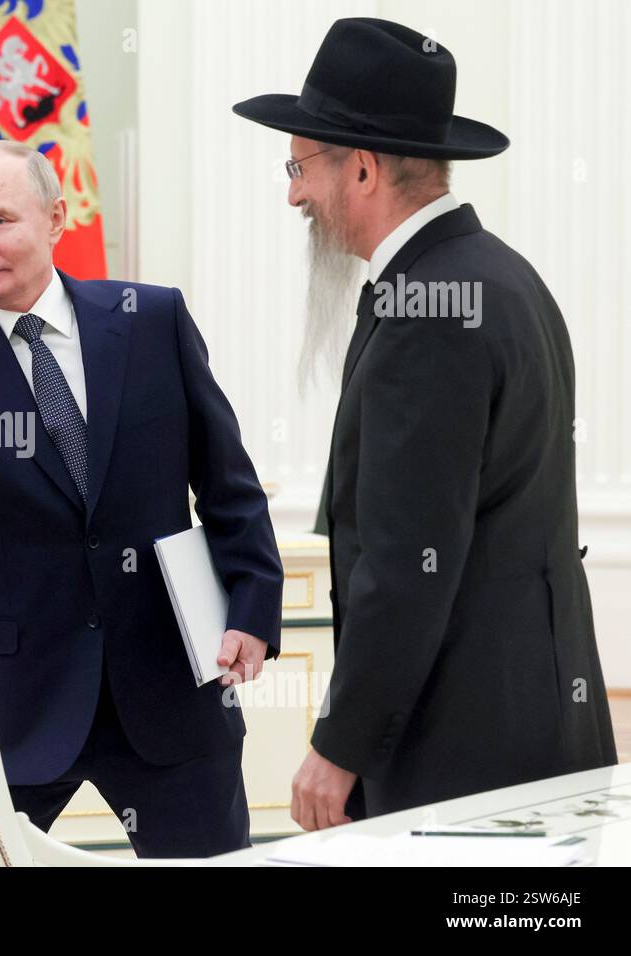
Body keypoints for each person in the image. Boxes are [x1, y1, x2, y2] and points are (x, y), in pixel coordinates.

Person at [0, 140, 283, 857]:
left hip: (169, 691)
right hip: (16, 695)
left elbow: (227, 480)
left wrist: (253, 606)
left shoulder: (152, 320)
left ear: (56, 218)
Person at [233, 17, 618, 830]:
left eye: (300, 167)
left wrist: (338, 747)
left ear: (363, 169)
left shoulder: (428, 313)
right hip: (532, 720)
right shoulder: (499, 276)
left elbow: (408, 564)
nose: (294, 192)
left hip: (463, 745)